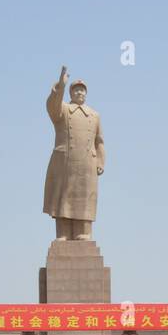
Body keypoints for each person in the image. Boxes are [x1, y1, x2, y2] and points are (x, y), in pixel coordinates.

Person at [43, 67, 105, 241]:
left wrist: (100, 161)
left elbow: (99, 141)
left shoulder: (94, 115)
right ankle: (62, 233)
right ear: (70, 93)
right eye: (76, 89)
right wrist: (59, 87)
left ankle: (83, 231)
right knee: (63, 196)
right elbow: (52, 106)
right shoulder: (63, 110)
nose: (79, 92)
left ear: (86, 94)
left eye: (82, 90)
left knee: (84, 197)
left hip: (87, 164)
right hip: (65, 161)